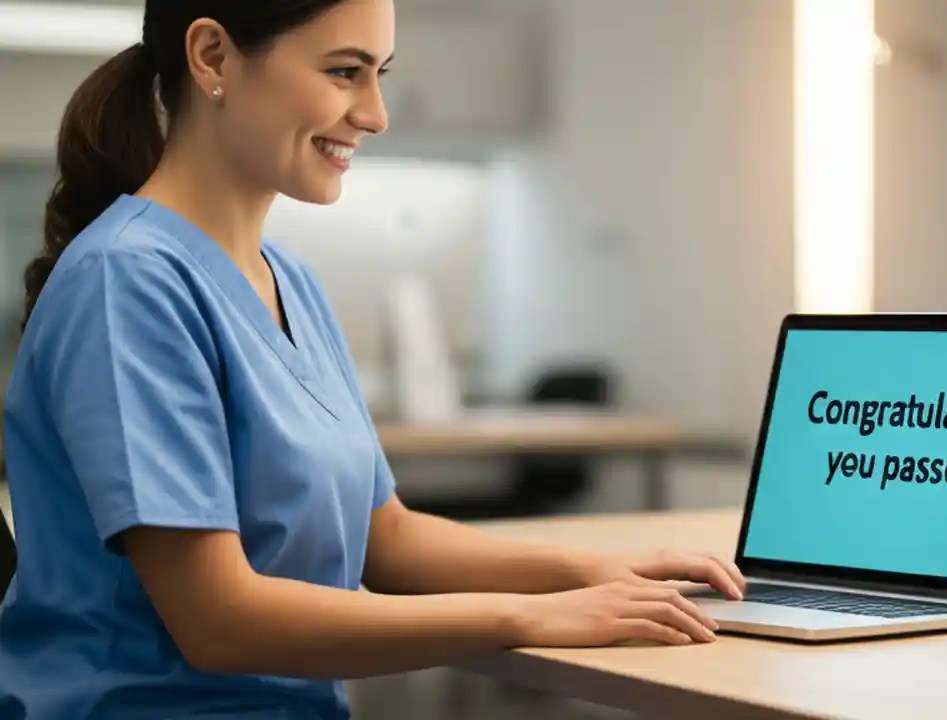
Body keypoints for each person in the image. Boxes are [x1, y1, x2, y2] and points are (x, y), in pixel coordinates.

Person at [0, 2, 746, 718]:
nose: (375, 113)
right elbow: (218, 619)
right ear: (213, 56)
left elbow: (385, 537)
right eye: (343, 71)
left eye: (379, 73)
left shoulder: (289, 282)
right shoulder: (126, 282)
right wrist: (529, 615)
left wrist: (591, 572)